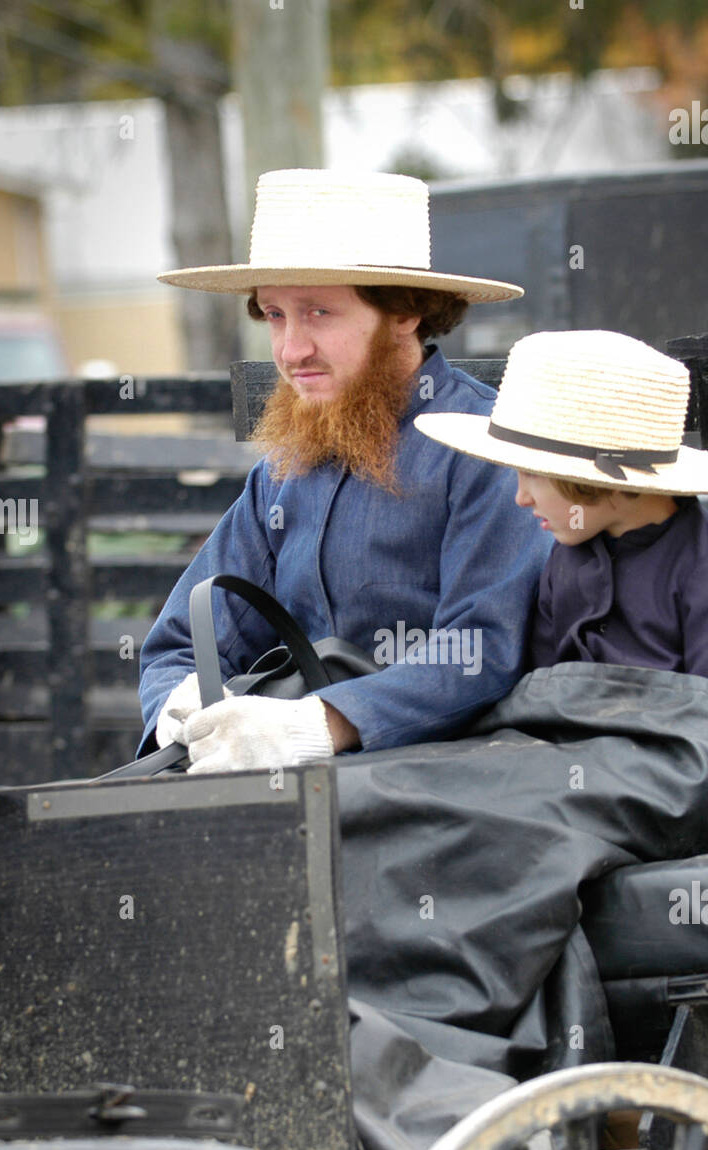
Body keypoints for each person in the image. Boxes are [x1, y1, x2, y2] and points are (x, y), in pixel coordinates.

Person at [138, 169, 552, 773]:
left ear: (406, 311)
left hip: (454, 789)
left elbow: (483, 650)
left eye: (319, 312)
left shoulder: (486, 449)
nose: (290, 350)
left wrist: (315, 725)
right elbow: (178, 645)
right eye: (276, 315)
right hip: (293, 794)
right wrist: (191, 716)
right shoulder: (283, 472)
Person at [415, 328, 708, 725]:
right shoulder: (568, 555)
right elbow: (537, 703)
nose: (521, 498)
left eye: (532, 475)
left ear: (595, 478)